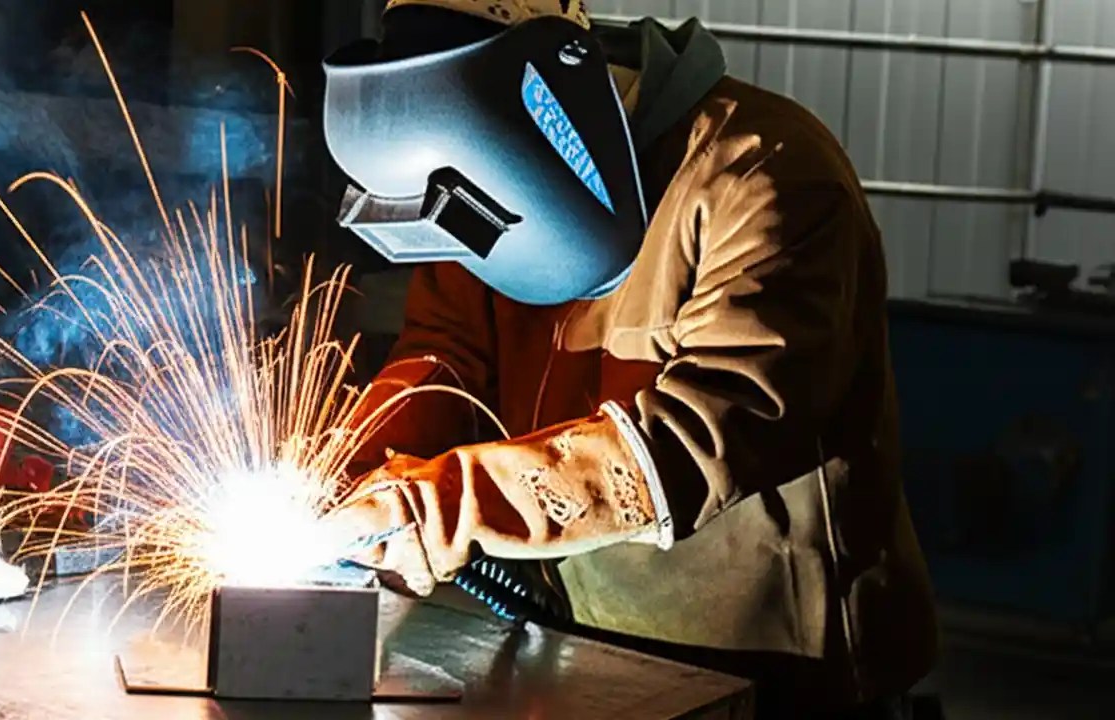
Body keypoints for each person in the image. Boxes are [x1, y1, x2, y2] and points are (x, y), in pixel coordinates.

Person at [320, 2, 939, 718]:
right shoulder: (469, 160)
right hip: (583, 650)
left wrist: (448, 506)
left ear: (540, 89)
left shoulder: (763, 172)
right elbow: (447, 354)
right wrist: (348, 471)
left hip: (779, 672)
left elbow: (705, 435)